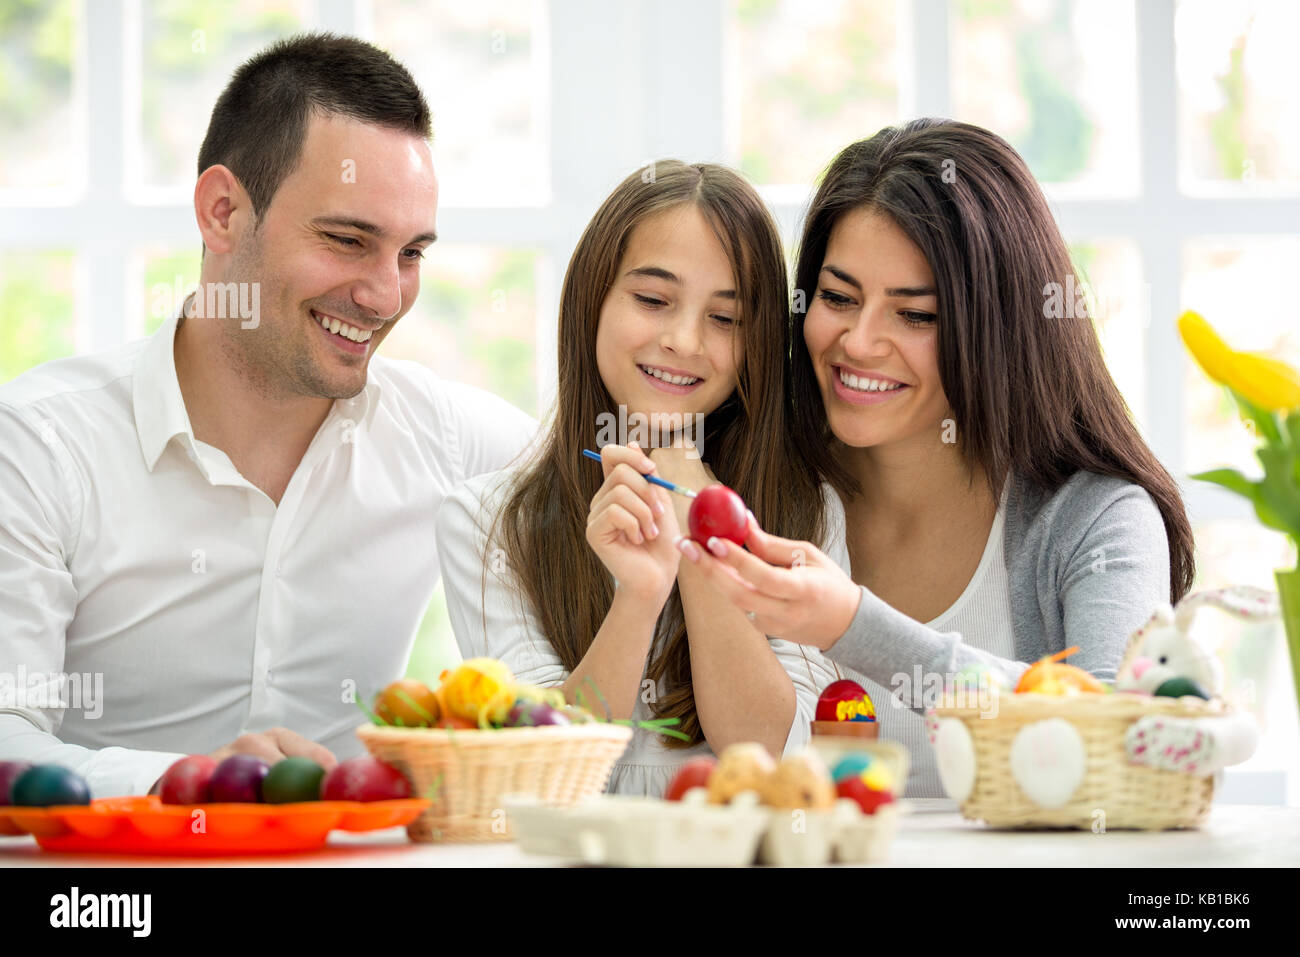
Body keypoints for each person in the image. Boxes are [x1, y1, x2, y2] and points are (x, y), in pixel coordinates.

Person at [0, 33, 535, 797]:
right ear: (222, 212)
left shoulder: (449, 439)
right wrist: (201, 782)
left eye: (411, 253)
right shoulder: (38, 447)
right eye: (348, 239)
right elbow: (5, 739)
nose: (385, 296)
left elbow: (613, 488)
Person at [676, 119, 1195, 798]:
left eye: (915, 315)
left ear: (998, 328)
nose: (858, 342)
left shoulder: (1094, 521)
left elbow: (1121, 738)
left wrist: (854, 627)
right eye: (837, 298)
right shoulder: (756, 478)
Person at [437, 160, 848, 795]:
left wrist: (700, 528)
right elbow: (540, 772)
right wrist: (639, 594)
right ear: (591, 300)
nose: (684, 340)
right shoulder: (487, 519)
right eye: (653, 301)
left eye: (726, 319)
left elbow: (772, 754)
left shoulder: (804, 509)